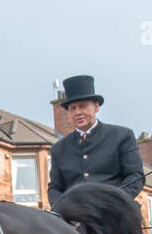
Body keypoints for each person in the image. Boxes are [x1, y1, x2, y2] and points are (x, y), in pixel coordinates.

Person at [47, 75, 145, 212]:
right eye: (73, 108)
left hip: (116, 212)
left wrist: (114, 201)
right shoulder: (59, 149)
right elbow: (55, 187)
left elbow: (135, 177)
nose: (78, 112)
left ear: (96, 106)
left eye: (83, 106)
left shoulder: (121, 136)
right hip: (75, 216)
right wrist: (64, 208)